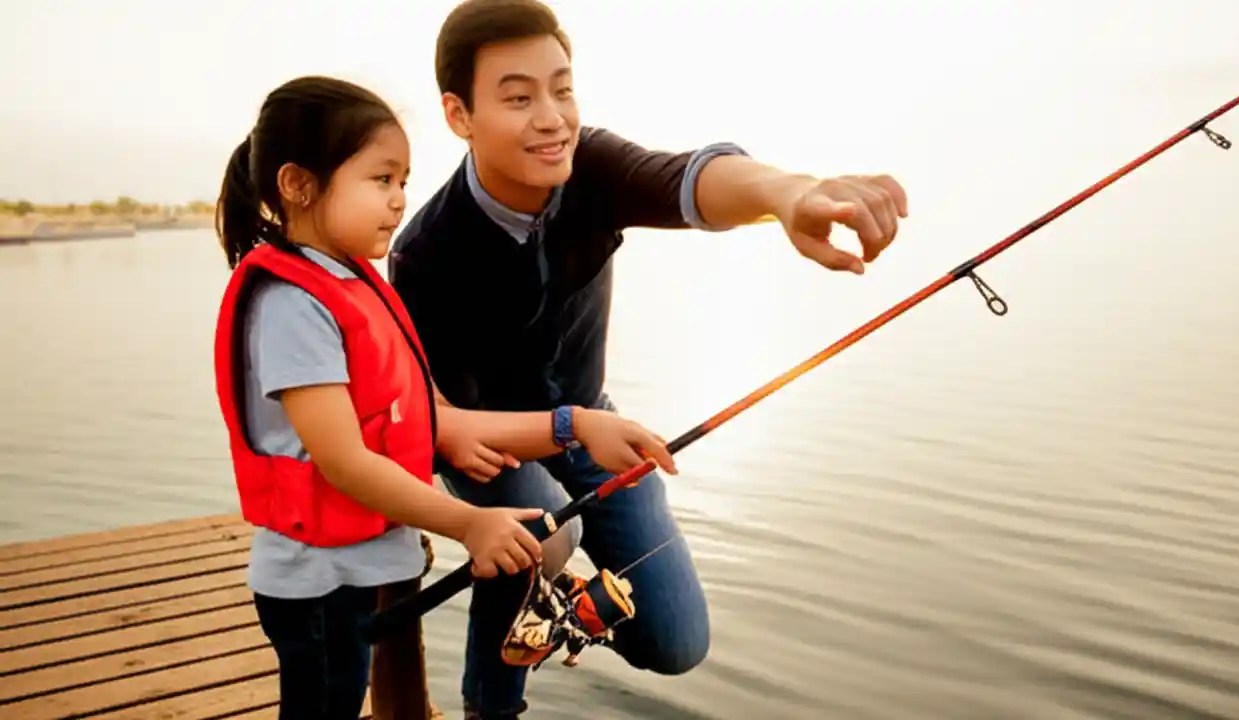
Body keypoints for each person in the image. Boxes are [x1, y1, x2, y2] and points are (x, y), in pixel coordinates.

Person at [389, 1, 911, 717]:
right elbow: (450, 427)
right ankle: (492, 702)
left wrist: (790, 192)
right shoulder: (425, 254)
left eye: (562, 89)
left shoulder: (590, 166)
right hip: (493, 449)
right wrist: (564, 431)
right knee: (544, 525)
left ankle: (570, 608)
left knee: (676, 643)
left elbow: (687, 178)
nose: (551, 117)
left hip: (594, 430)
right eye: (518, 97)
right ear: (460, 114)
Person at [210, 74, 679, 720]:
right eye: (381, 180)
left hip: (353, 574)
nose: (400, 200)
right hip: (313, 583)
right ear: (297, 185)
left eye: (404, 181)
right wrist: (468, 521)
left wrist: (578, 425)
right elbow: (343, 462)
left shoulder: (356, 284)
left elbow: (434, 422)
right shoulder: (294, 306)